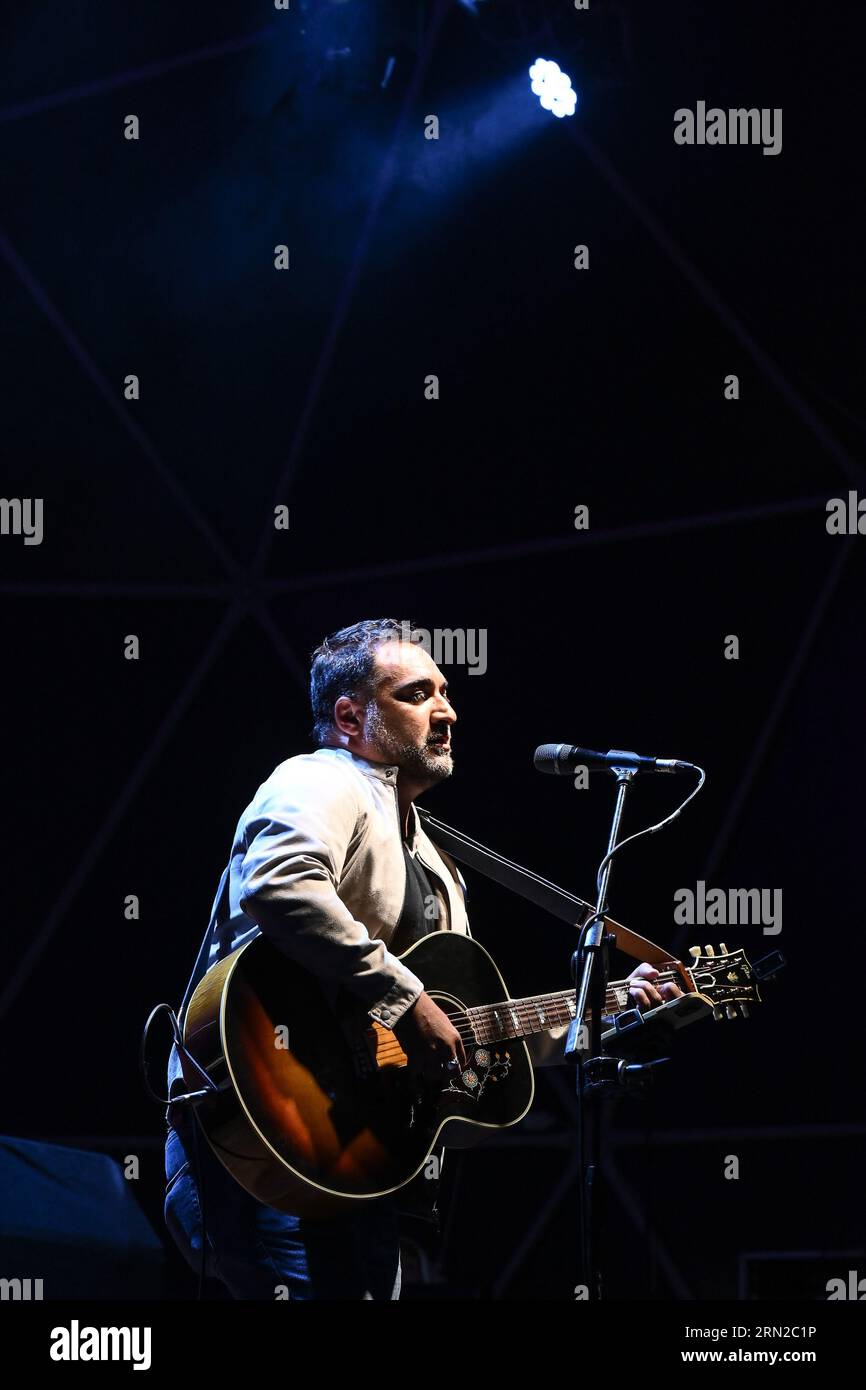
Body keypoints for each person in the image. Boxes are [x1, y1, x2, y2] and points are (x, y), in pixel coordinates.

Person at [163, 618, 681, 1299]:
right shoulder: (323, 780)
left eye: (445, 691)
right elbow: (280, 884)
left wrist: (612, 1012)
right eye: (416, 694)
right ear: (350, 716)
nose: (447, 711)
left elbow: (461, 1025)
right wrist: (405, 1001)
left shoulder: (436, 861)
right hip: (271, 1127)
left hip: (360, 1159)